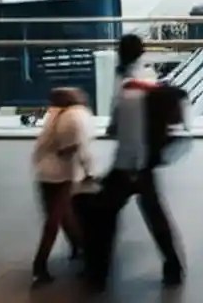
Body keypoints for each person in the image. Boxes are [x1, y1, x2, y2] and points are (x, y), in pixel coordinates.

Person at [96, 34, 185, 290]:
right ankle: (173, 265)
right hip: (141, 162)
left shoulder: (129, 86)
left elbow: (128, 127)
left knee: (106, 213)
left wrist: (134, 167)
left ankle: (99, 270)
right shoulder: (145, 78)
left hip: (130, 163)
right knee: (154, 214)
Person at [31, 87, 93, 285]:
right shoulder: (76, 116)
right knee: (55, 220)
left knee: (64, 214)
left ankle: (79, 246)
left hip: (43, 173)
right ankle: (39, 266)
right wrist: (88, 171)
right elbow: (74, 147)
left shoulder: (54, 114)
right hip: (61, 174)